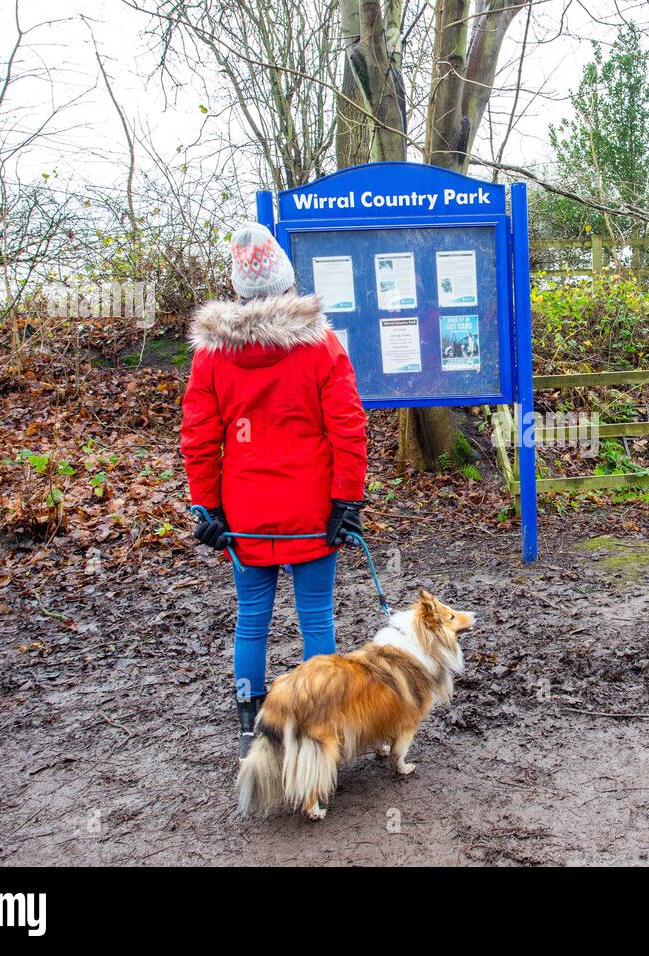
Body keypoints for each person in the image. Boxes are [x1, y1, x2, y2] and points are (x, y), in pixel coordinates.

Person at [180, 222, 368, 757]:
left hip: (244, 512)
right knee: (317, 618)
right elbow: (348, 428)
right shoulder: (321, 346)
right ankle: (320, 728)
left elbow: (198, 435)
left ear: (238, 288)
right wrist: (346, 501)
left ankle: (250, 730)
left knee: (251, 620)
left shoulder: (212, 355)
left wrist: (207, 506)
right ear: (287, 283)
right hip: (312, 509)